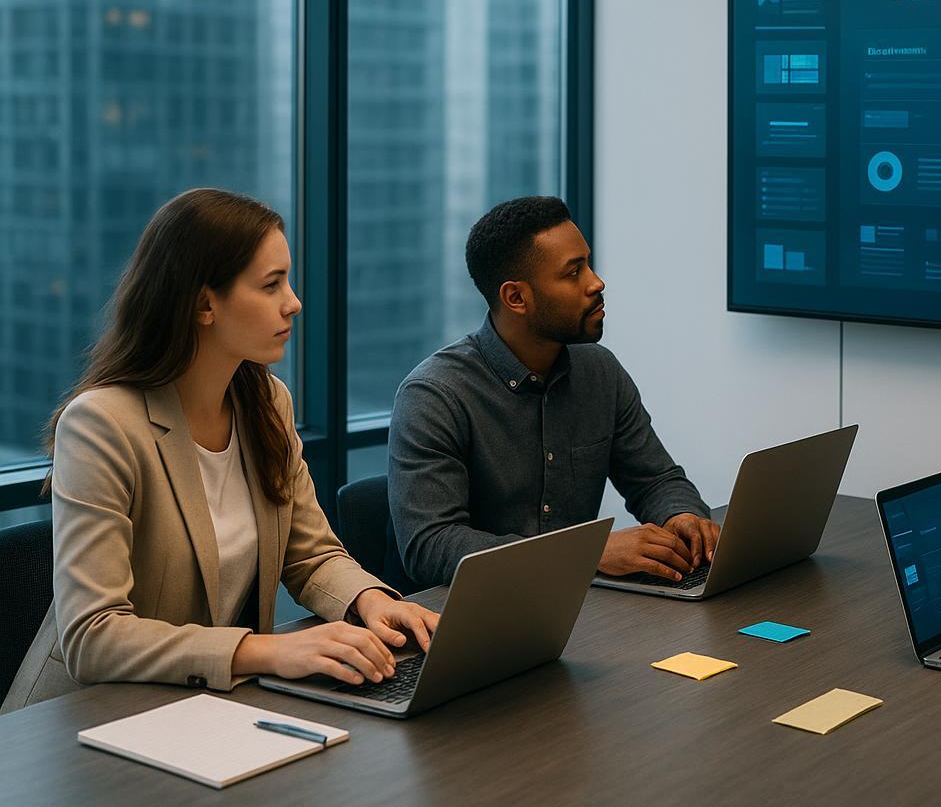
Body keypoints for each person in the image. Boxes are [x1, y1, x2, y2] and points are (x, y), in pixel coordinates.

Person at [2, 189, 438, 713]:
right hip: (83, 718)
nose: (294, 302)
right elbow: (93, 636)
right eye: (271, 284)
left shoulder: (267, 402)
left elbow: (311, 553)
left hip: (203, 708)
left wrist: (369, 601)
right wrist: (268, 651)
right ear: (204, 303)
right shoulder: (101, 424)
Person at [388, 196, 719, 590]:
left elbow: (656, 480)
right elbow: (431, 546)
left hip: (579, 603)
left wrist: (681, 516)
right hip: (478, 610)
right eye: (573, 273)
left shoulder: (600, 371)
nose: (596, 283)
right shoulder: (434, 396)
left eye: (588, 264)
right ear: (516, 298)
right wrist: (585, 553)